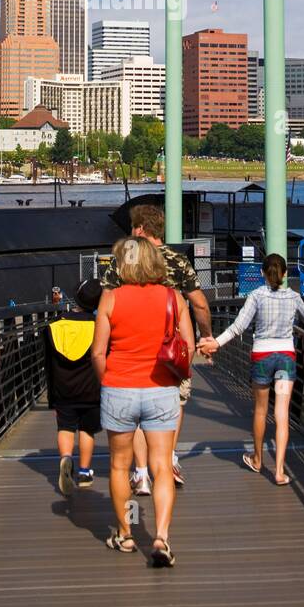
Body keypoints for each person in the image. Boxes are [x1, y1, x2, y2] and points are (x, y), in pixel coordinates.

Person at [92, 237, 195, 566]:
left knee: (120, 466)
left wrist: (107, 380)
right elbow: (188, 348)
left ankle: (125, 534)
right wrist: (173, 380)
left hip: (119, 387)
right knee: (162, 466)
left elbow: (97, 352)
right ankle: (162, 537)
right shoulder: (173, 297)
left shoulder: (110, 298)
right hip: (161, 390)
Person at [101, 203, 211, 491]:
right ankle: (168, 459)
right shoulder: (177, 260)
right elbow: (198, 302)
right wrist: (206, 337)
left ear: (138, 229)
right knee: (174, 404)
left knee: (136, 416)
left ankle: (140, 473)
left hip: (129, 353)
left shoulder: (124, 260)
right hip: (173, 351)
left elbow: (106, 306)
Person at [199, 253, 304, 485]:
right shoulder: (293, 297)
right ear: (285, 274)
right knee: (281, 413)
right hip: (285, 356)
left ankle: (258, 459)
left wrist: (216, 343)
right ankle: (280, 471)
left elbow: (238, 326)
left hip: (262, 355)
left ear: (262, 273)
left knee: (261, 410)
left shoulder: (256, 296)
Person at [44, 279, 103, 495]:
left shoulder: (54, 327)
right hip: (90, 390)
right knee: (87, 430)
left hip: (63, 389)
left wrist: (52, 394)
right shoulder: (98, 327)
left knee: (65, 428)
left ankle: (66, 459)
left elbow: (48, 363)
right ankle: (85, 471)